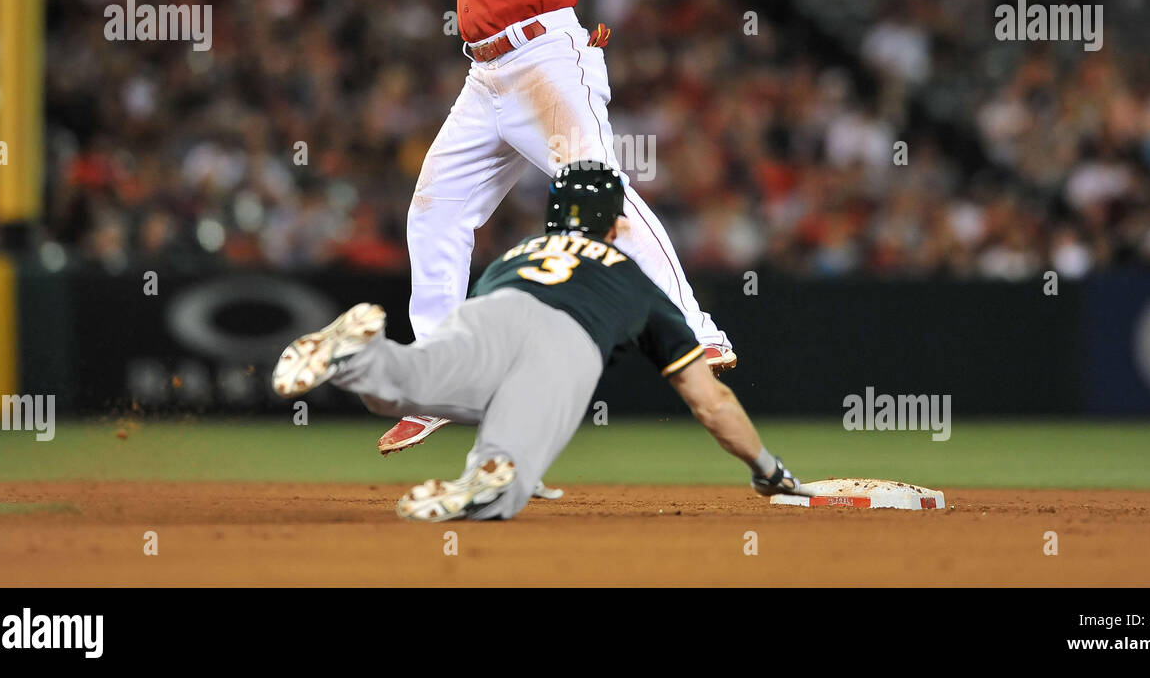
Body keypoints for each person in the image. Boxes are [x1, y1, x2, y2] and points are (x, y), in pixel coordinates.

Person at [299, 0, 737, 459]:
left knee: (605, 201)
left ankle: (697, 326)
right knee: (435, 210)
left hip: (545, 63)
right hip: (487, 77)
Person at [272, 162, 800, 522]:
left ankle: (360, 355)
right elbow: (712, 403)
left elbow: (487, 357)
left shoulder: (516, 254)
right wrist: (768, 470)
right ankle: (497, 476)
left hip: (492, 309)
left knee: (404, 385)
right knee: (508, 479)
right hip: (566, 340)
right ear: (616, 225)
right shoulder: (633, 280)